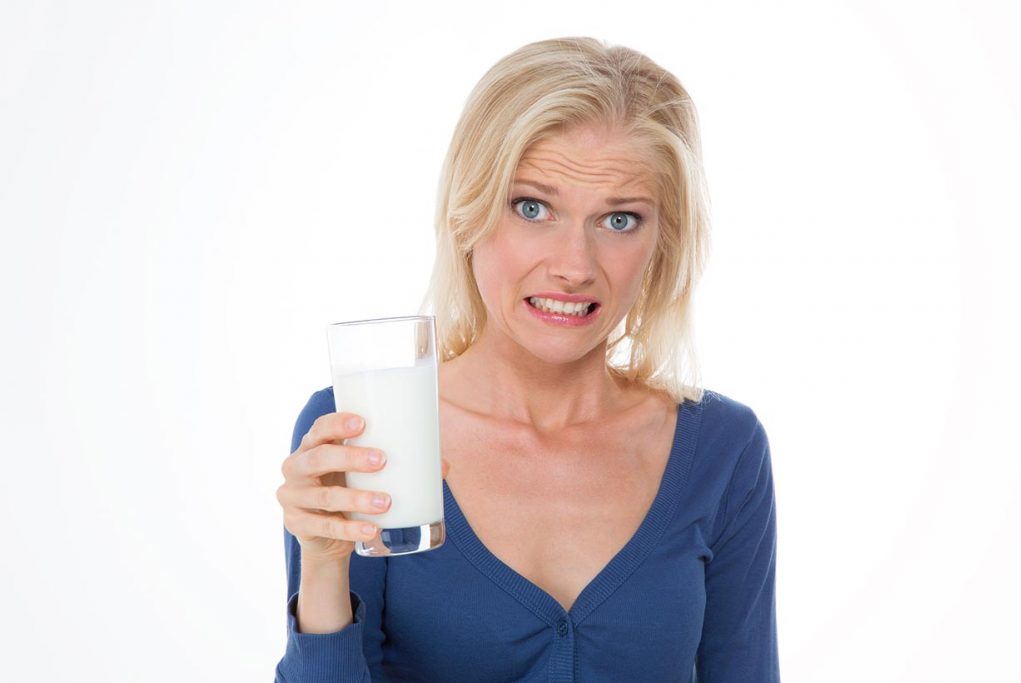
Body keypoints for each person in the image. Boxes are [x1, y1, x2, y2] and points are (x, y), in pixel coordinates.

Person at [274, 36, 780, 682]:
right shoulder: (365, 425)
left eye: (620, 220)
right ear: (468, 214)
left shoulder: (723, 449)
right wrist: (322, 565)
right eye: (532, 207)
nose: (574, 265)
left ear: (663, 240)